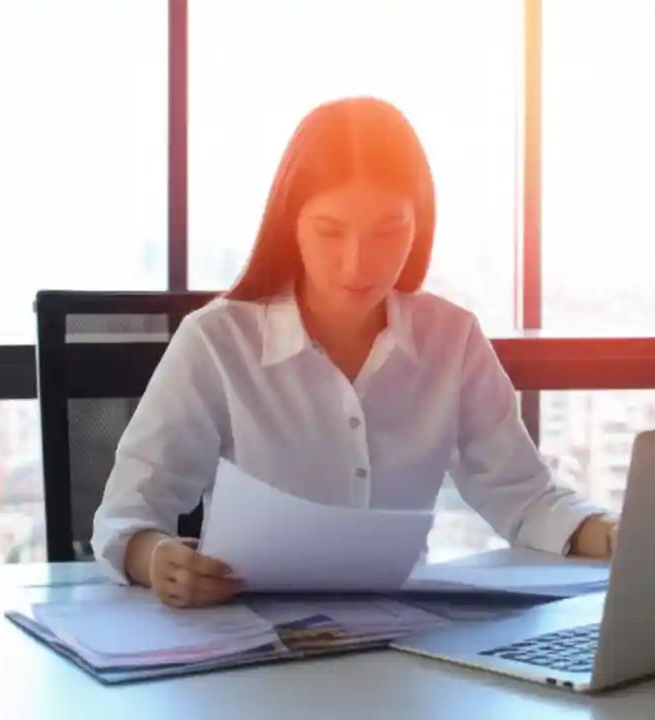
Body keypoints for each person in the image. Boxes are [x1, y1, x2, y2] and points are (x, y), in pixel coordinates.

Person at [93, 97, 618, 608]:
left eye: (389, 232)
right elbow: (127, 514)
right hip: (248, 632)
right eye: (330, 231)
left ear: (419, 225)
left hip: (406, 631)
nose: (357, 263)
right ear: (291, 224)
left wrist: (617, 535)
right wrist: (157, 560)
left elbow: (524, 497)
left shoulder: (452, 339)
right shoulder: (216, 341)